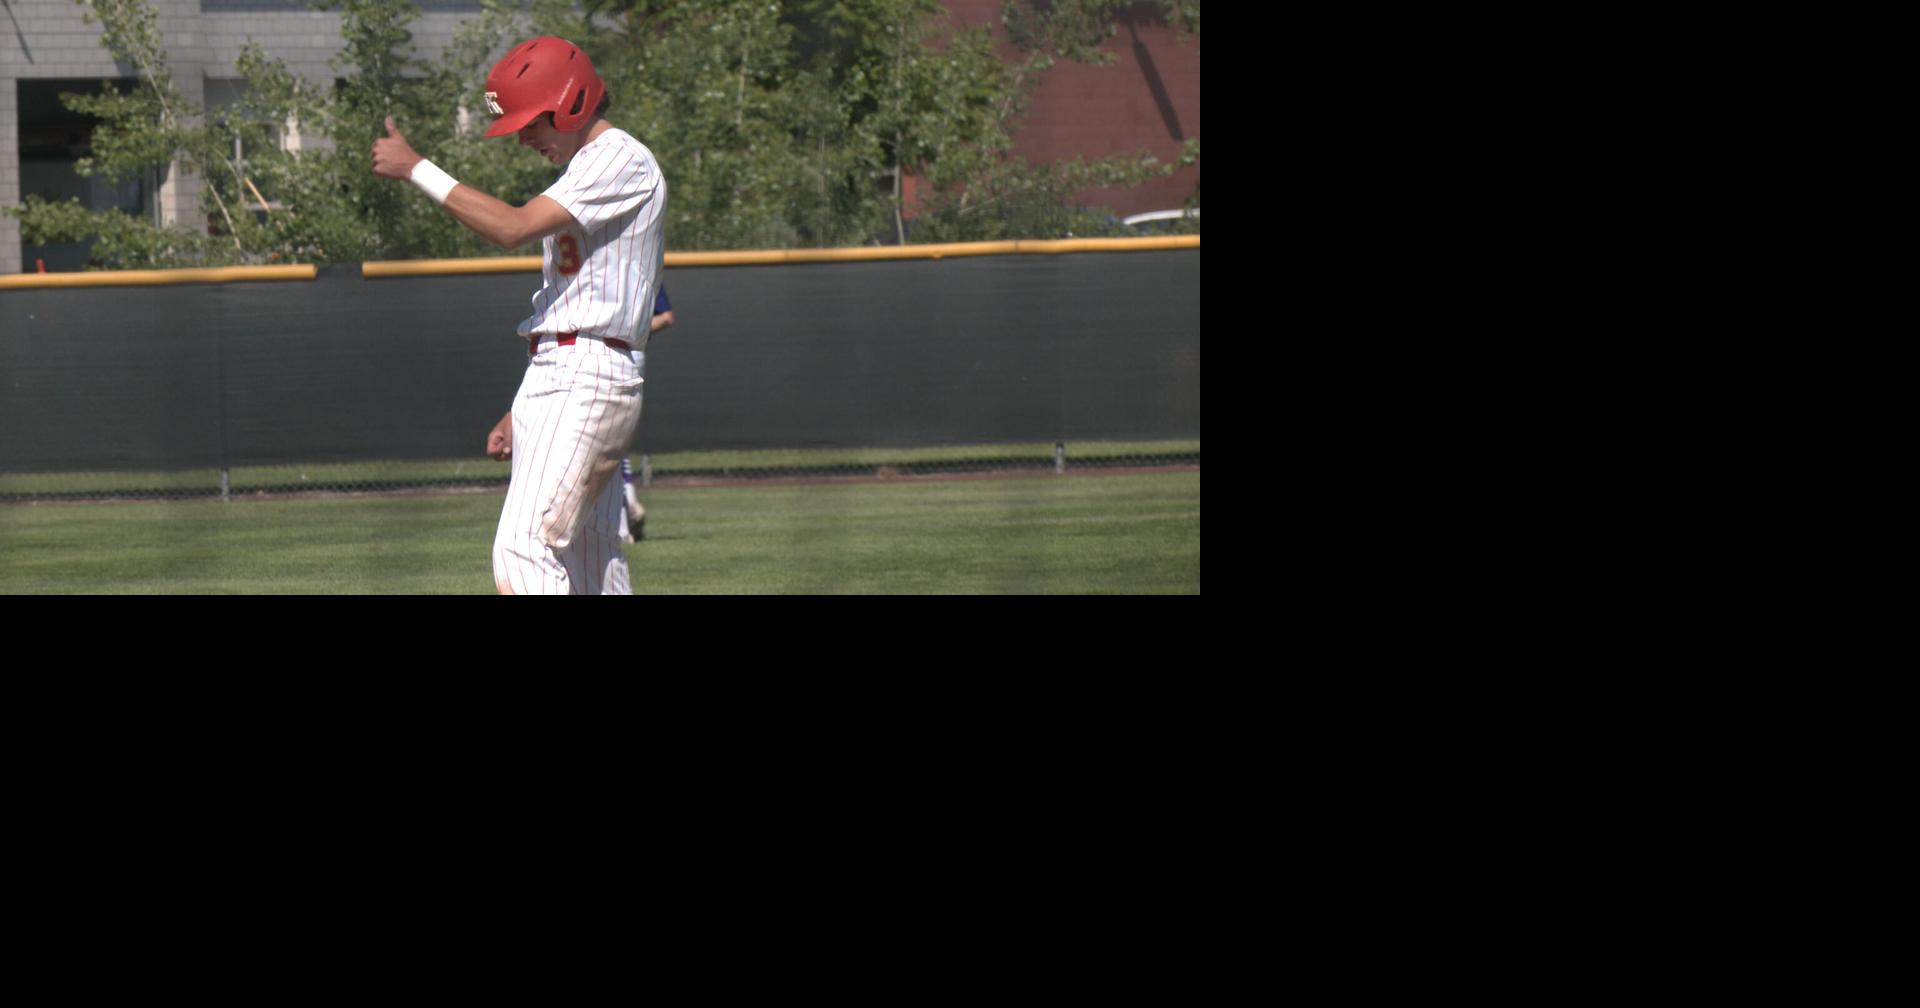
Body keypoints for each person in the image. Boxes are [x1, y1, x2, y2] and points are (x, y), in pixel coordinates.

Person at [373, 34, 667, 594]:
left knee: (523, 549)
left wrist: (417, 169)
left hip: (586, 376)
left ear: (574, 101)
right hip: (572, 373)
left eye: (533, 121)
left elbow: (510, 228)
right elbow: (568, 302)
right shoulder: (586, 170)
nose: (525, 137)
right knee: (590, 560)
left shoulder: (619, 157)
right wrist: (523, 406)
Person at [619, 286, 674, 542]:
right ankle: (629, 506)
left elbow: (666, 316)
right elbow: (666, 316)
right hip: (631, 352)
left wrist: (630, 328)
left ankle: (623, 520)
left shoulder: (634, 273)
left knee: (606, 442)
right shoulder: (643, 267)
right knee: (613, 442)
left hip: (620, 352)